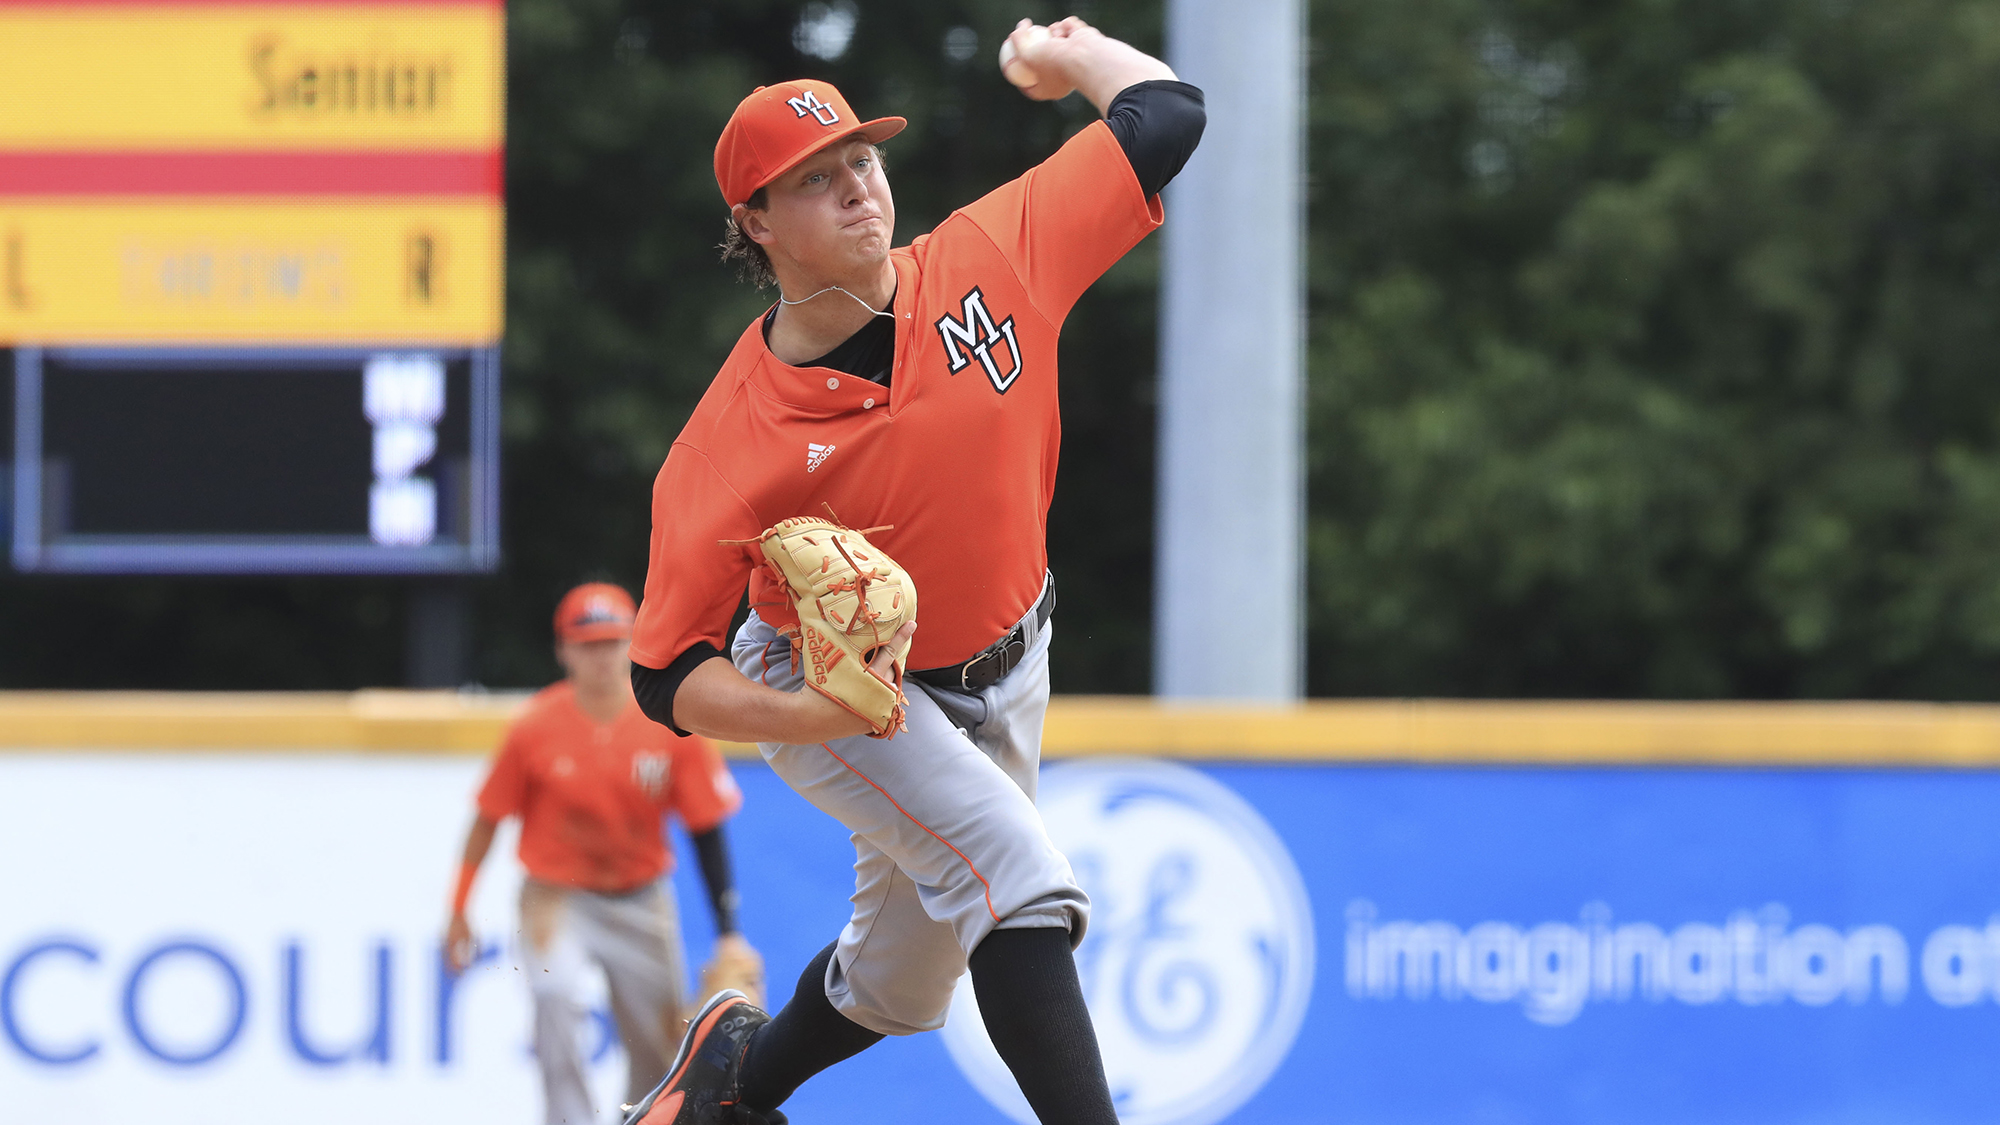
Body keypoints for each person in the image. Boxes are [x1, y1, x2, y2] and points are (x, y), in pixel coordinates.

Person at [623, 16, 1205, 1125]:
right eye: (815, 177)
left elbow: (1166, 113)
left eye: (861, 158)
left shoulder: (990, 258)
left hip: (1013, 657)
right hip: (839, 689)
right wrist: (807, 716)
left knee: (901, 977)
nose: (857, 187)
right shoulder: (729, 443)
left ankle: (729, 1087)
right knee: (1015, 875)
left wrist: (1069, 50)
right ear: (756, 222)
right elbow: (665, 673)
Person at [446, 582, 754, 1125]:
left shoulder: (667, 722)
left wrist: (728, 929)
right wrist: (458, 906)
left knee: (658, 1045)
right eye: (587, 644)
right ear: (563, 650)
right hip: (556, 898)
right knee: (554, 993)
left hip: (640, 899)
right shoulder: (536, 726)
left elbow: (706, 828)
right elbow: (487, 819)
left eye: (612, 642)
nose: (601, 656)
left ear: (632, 643)